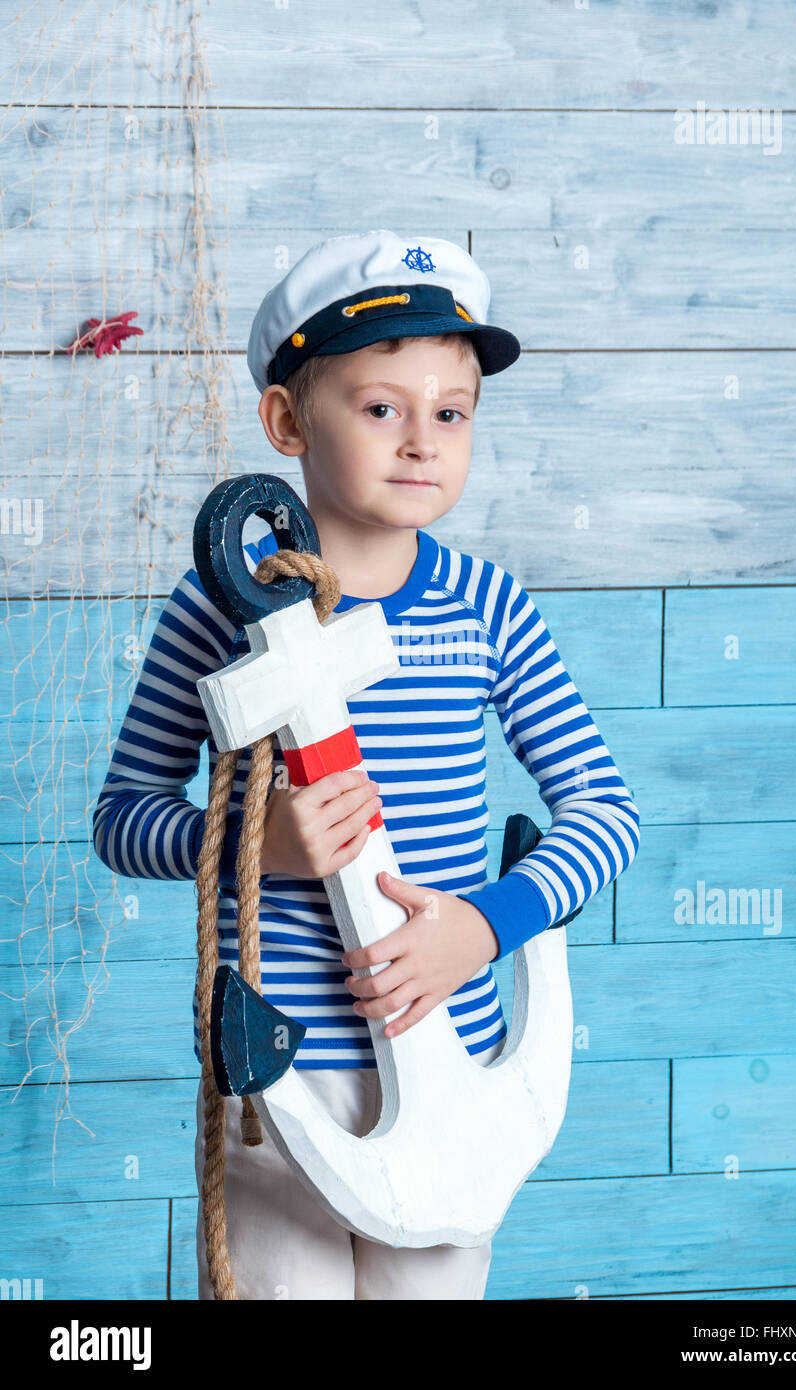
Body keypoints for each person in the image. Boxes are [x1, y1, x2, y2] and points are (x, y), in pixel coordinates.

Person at [92, 229, 641, 1300]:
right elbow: (123, 816)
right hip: (278, 1088)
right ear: (288, 421)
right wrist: (257, 837)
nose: (420, 441)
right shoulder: (215, 609)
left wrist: (486, 925)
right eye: (380, 407)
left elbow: (604, 813)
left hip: (459, 1071)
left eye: (450, 412)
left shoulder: (490, 608)